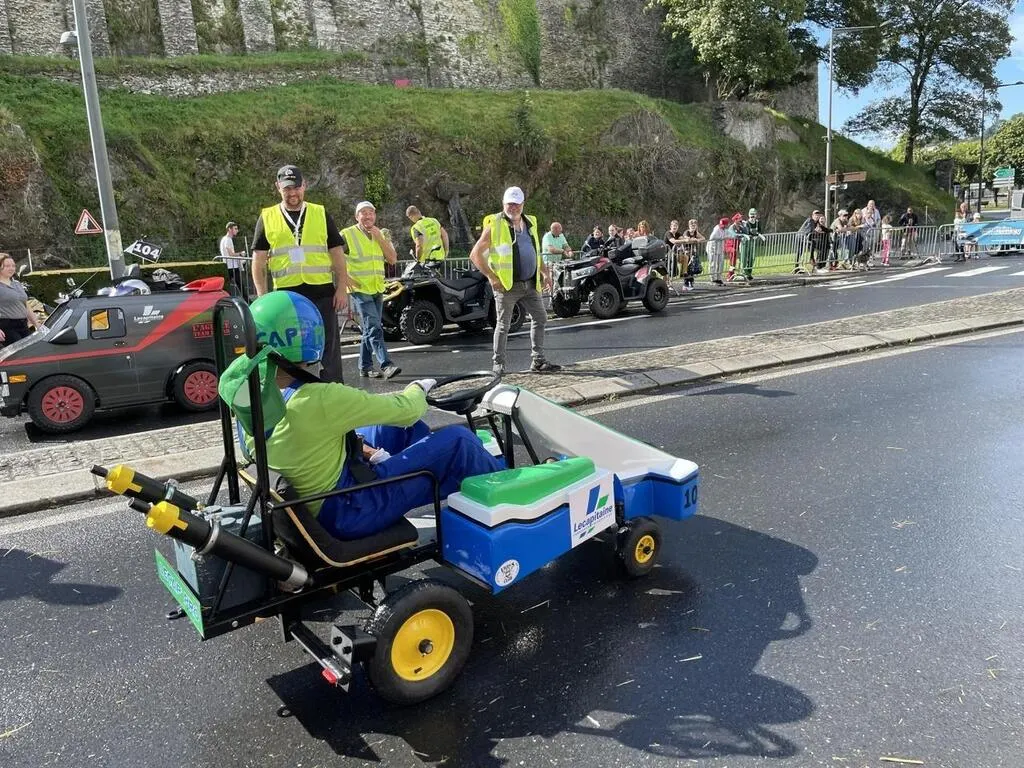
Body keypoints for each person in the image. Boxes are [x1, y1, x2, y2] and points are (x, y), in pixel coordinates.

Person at [219, 291, 503, 541]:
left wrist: (373, 452)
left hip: (315, 503)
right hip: (349, 509)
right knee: (458, 442)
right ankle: (506, 497)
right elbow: (408, 408)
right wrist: (419, 388)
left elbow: (315, 438)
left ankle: (449, 473)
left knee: (390, 428)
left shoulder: (252, 399)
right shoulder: (322, 398)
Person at [251, 164, 351, 383]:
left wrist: (341, 288)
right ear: (278, 187)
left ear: (304, 185)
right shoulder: (267, 217)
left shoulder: (320, 213)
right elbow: (258, 262)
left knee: (330, 350)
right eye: (287, 188)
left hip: (322, 293)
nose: (292, 193)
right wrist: (263, 297)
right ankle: (293, 395)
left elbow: (337, 253)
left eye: (296, 187)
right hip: (286, 298)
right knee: (289, 350)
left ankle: (335, 393)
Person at [470, 186, 561, 376]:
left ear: (522, 205)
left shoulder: (530, 223)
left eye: (517, 204)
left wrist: (545, 273)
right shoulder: (494, 224)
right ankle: (499, 365)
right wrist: (492, 277)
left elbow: (535, 253)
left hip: (529, 283)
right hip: (506, 286)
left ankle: (538, 360)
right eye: (510, 204)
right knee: (503, 325)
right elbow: (475, 254)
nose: (513, 208)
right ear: (504, 204)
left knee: (541, 318)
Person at [341, 201, 401, 380]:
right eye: (363, 213)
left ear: (375, 216)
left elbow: (392, 259)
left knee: (369, 328)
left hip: (377, 287)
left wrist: (380, 238)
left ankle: (365, 366)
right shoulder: (347, 234)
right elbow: (331, 255)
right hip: (360, 289)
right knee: (374, 326)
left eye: (371, 213)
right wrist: (345, 277)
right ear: (356, 216)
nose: (367, 216)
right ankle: (386, 364)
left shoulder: (381, 234)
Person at [0, 254, 42, 347]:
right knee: (19, 356)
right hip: (7, 327)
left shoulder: (17, 284)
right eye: (7, 266)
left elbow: (26, 306)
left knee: (30, 351)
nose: (11, 268)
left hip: (23, 325)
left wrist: (37, 324)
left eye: (13, 266)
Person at [219, 222, 248, 299]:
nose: (237, 230)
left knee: (234, 286)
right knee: (240, 286)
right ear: (229, 229)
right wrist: (240, 254)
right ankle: (248, 301)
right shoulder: (228, 240)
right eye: (235, 229)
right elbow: (231, 254)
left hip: (229, 266)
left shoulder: (224, 239)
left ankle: (246, 300)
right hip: (232, 266)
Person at [541, 222, 573, 291]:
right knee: (552, 275)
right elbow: (551, 250)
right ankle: (551, 293)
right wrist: (563, 251)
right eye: (559, 229)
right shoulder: (547, 236)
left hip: (557, 262)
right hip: (548, 261)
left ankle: (554, 290)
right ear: (554, 229)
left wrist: (569, 251)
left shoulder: (561, 235)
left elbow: (566, 246)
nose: (561, 231)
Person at [679, 219, 705, 290]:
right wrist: (695, 240)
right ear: (689, 225)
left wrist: (698, 240)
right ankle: (686, 283)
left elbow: (703, 238)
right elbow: (687, 240)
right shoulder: (686, 232)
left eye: (694, 225)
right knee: (687, 268)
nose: (693, 226)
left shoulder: (696, 232)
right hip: (687, 253)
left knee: (692, 268)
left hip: (693, 252)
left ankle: (691, 282)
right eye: (691, 225)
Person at [706, 217, 729, 285]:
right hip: (713, 248)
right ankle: (713, 278)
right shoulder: (717, 229)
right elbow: (712, 238)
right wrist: (722, 238)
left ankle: (719, 278)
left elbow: (729, 234)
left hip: (720, 248)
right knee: (713, 263)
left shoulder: (725, 230)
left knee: (720, 263)